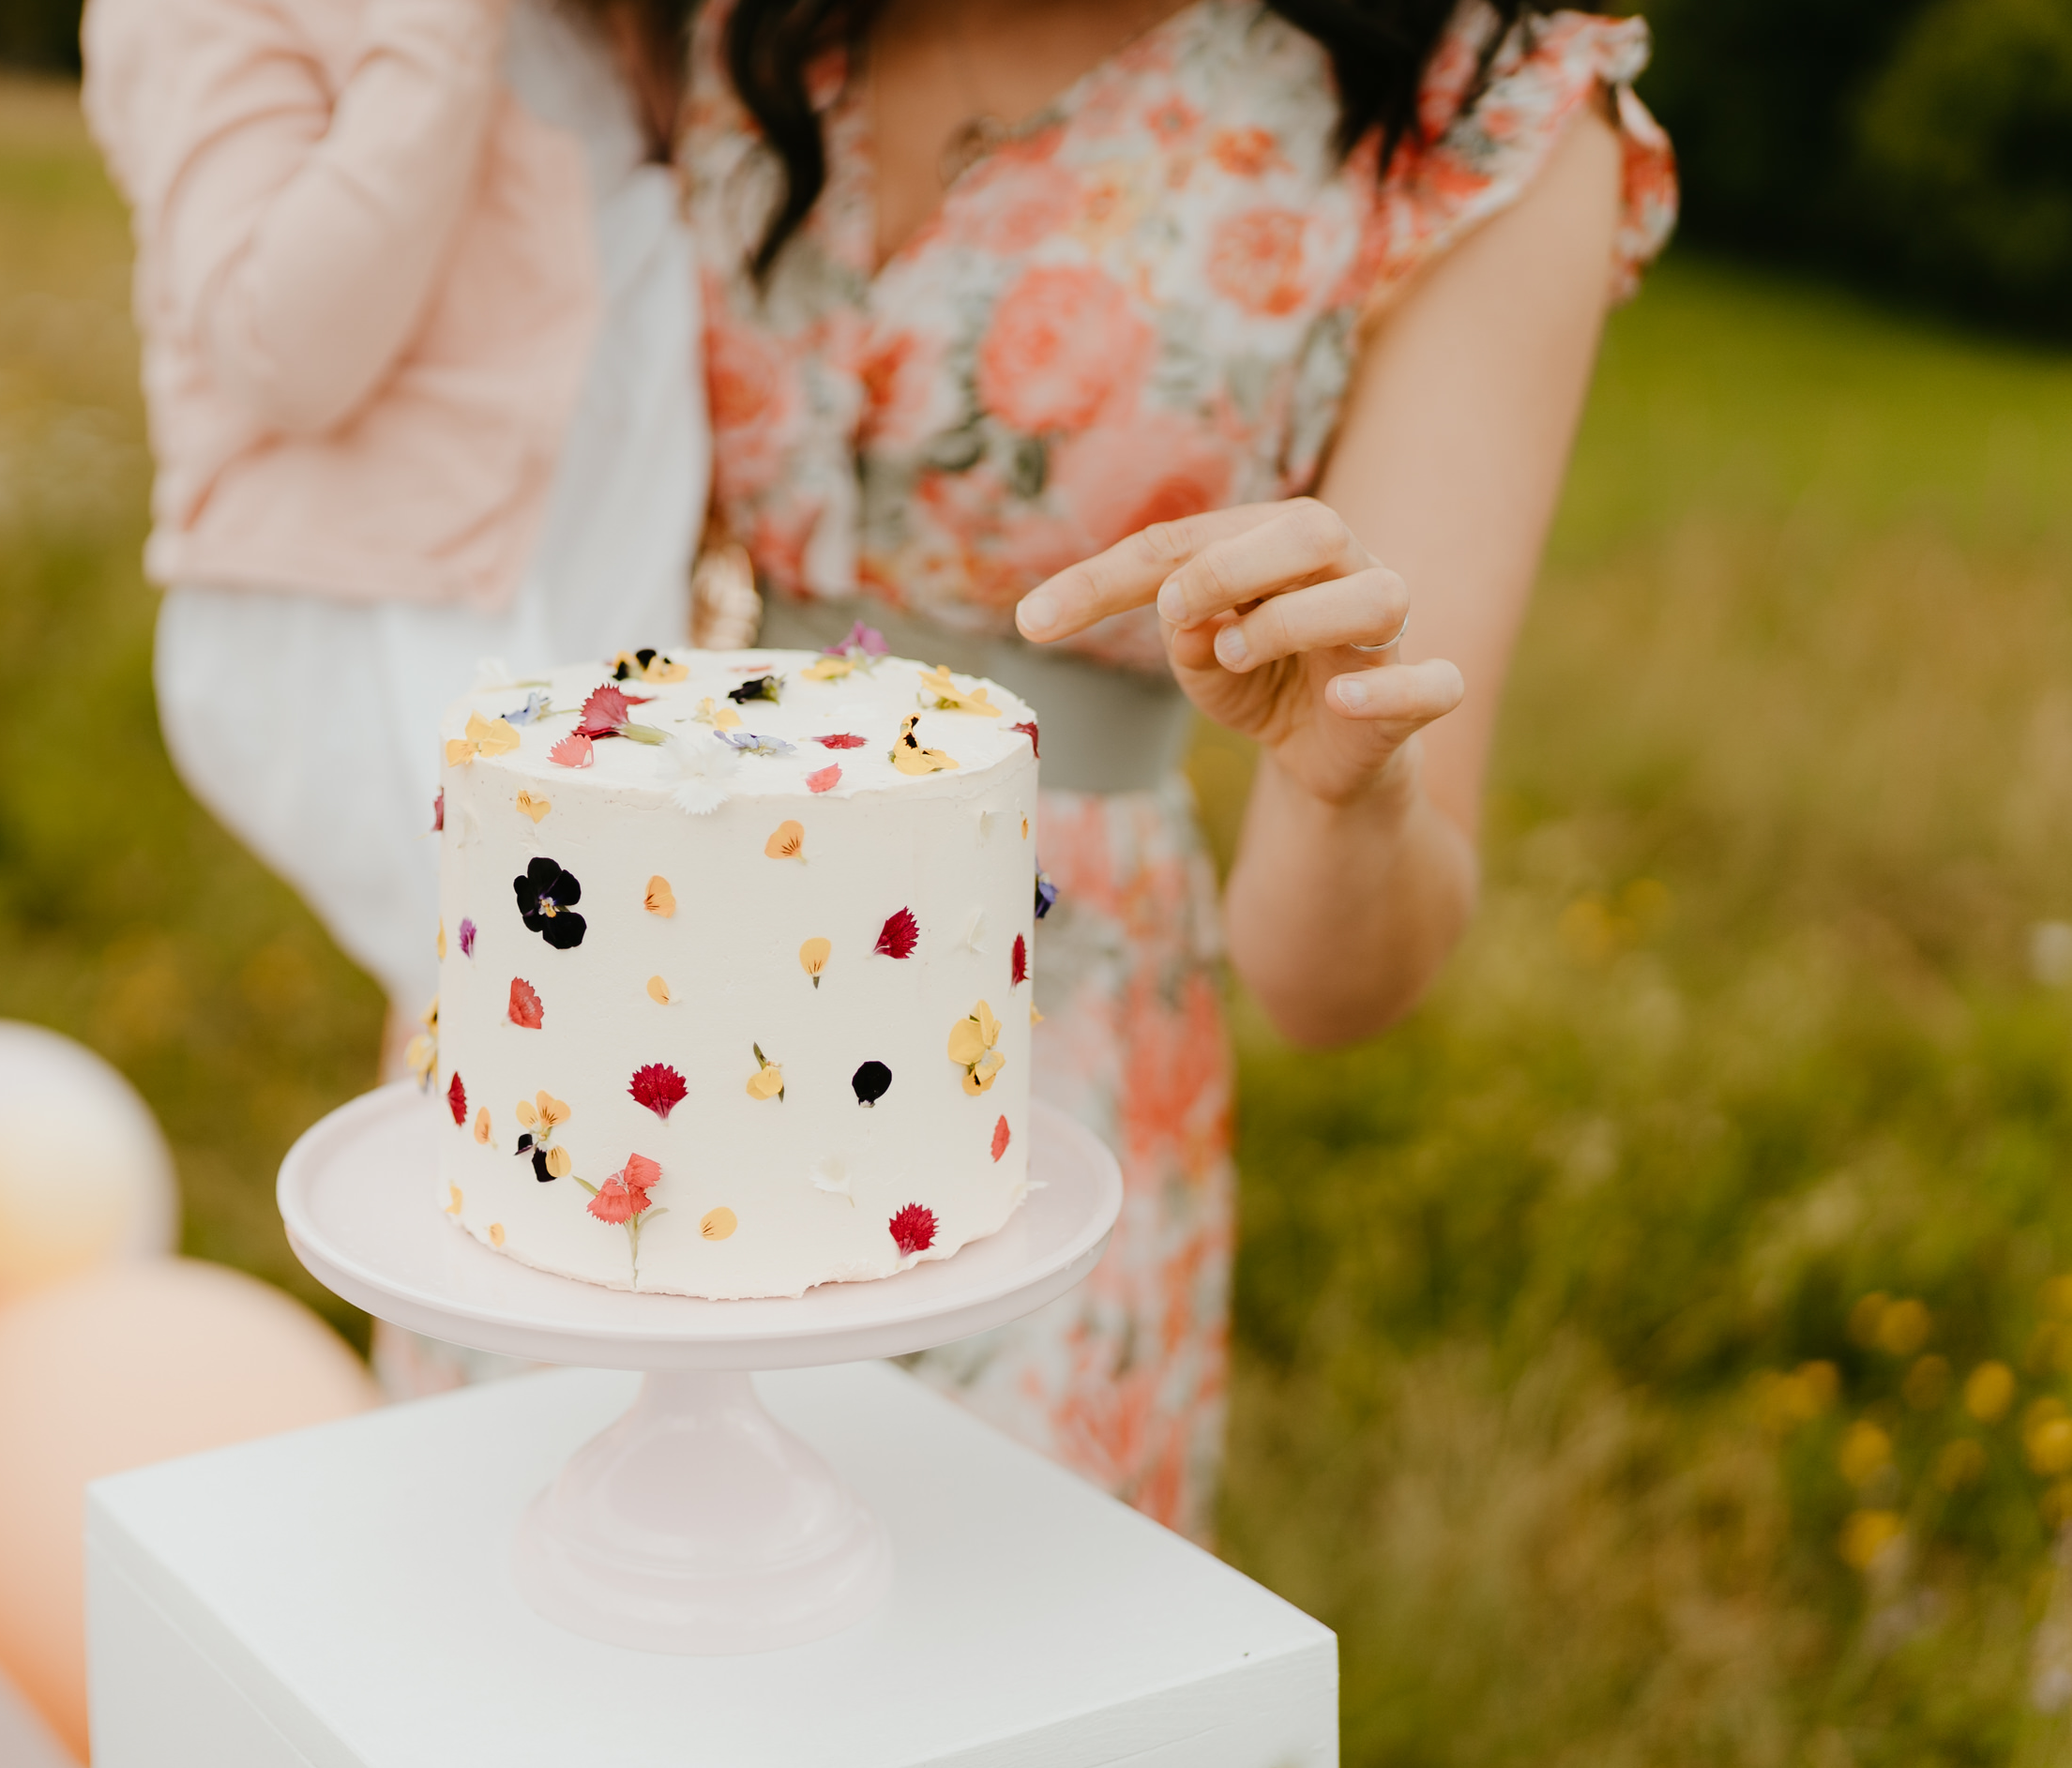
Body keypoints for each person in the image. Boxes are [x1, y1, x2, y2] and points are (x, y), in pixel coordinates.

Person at [680, 0, 1675, 1537]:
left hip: (1033, 1033)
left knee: (951, 1615)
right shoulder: (724, 24)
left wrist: (1346, 788)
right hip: (630, 944)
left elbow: (1332, 984)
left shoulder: (1492, 105)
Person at [82, 0, 709, 1060]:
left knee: (526, 1026)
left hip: (585, 585)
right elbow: (282, 350)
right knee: (552, 1026)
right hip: (387, 611)